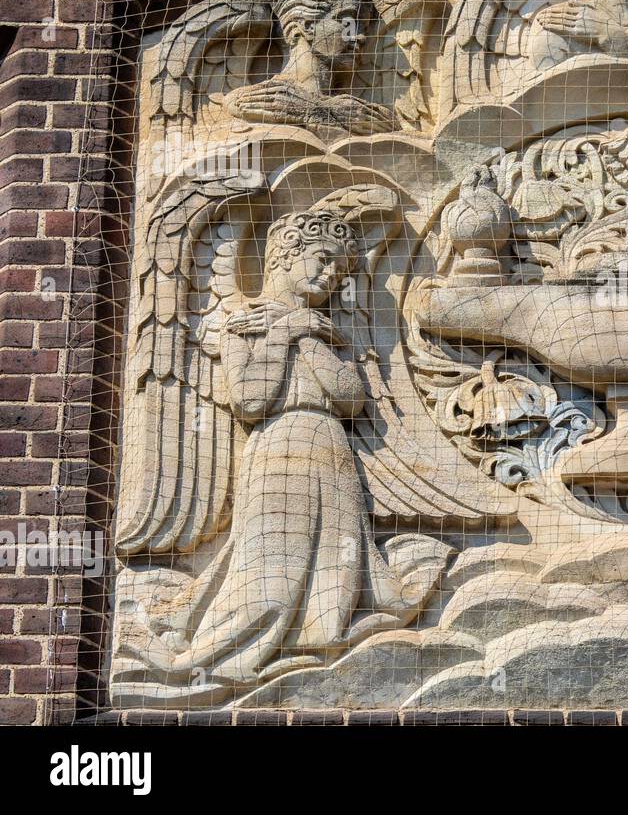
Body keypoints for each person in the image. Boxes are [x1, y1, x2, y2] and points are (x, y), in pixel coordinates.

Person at [116, 211, 443, 701]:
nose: (330, 275)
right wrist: (285, 333)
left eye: (339, 270)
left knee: (339, 551)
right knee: (271, 560)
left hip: (328, 444)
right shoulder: (242, 323)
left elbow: (350, 397)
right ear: (286, 258)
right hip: (278, 445)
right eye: (322, 260)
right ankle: (222, 653)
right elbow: (251, 399)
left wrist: (308, 335)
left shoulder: (321, 327)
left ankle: (317, 634)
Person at [223, 0, 397, 136]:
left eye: (364, 28)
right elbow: (237, 102)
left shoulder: (363, 111)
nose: (360, 37)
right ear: (307, 26)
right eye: (348, 23)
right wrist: (321, 111)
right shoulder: (258, 98)